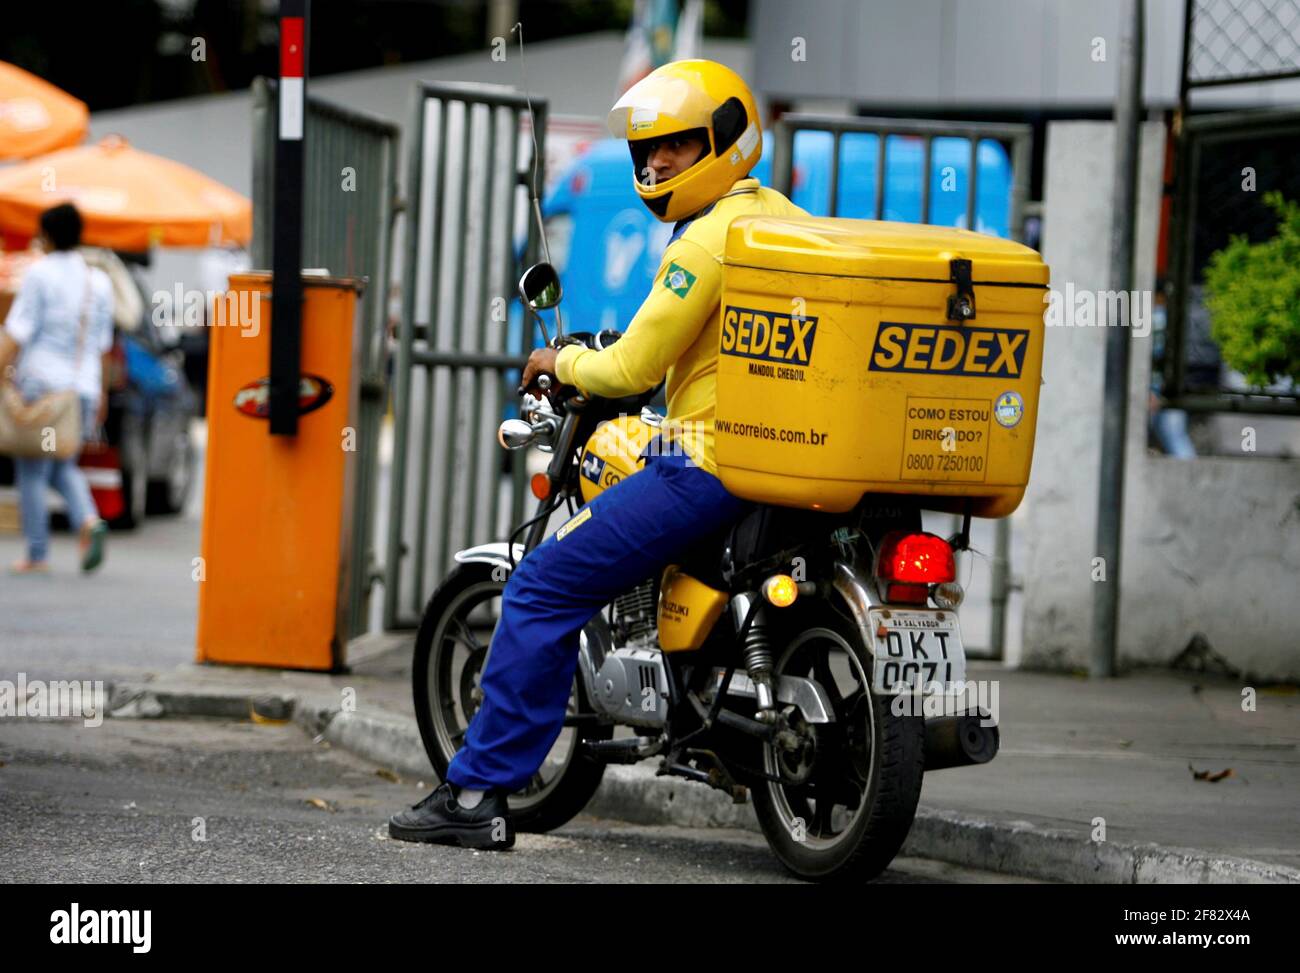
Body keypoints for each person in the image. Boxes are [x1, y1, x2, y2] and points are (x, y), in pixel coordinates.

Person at [388, 60, 808, 849]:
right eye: (646, 152)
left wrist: (560, 363)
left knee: (544, 582)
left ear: (720, 142)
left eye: (675, 149)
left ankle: (477, 796)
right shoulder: (780, 217)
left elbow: (633, 369)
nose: (654, 165)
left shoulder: (707, 240)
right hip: (786, 457)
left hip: (709, 461)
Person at [0, 203, 114, 574]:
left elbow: (18, 332)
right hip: (82, 388)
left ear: (46, 235)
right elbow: (103, 345)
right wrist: (103, 395)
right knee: (63, 462)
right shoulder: (98, 281)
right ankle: (87, 519)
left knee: (32, 470)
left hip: (43, 387)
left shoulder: (40, 274)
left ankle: (37, 553)